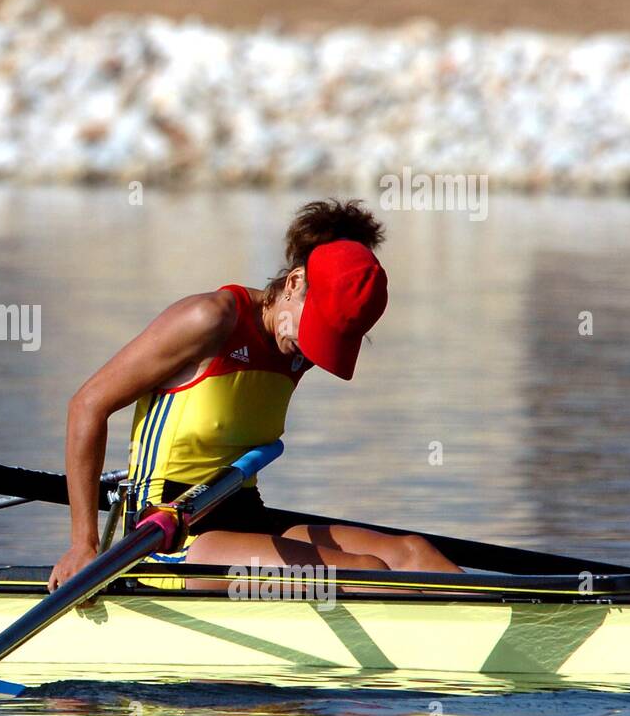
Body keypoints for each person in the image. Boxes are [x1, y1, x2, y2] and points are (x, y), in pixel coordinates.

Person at [51, 199, 461, 592]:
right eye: (316, 332)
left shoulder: (297, 346)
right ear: (294, 282)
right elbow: (87, 405)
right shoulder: (209, 320)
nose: (312, 350)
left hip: (246, 517)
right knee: (364, 572)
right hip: (166, 538)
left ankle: (516, 632)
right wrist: (83, 545)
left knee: (413, 554)